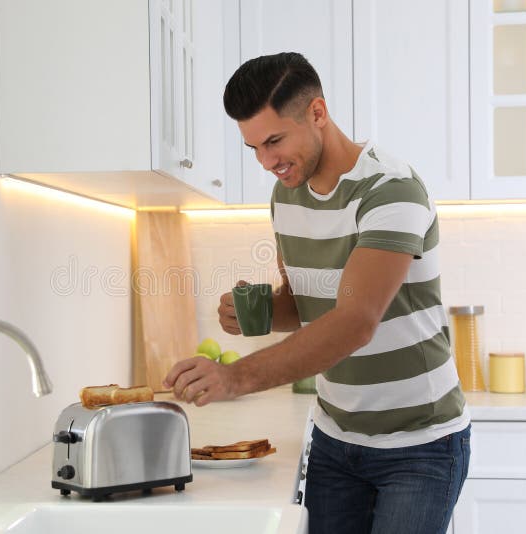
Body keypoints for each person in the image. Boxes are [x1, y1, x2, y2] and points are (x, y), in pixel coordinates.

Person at [163, 52, 471, 534]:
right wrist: (260, 311)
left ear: (318, 113)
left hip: (418, 446)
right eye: (254, 149)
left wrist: (233, 378)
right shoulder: (286, 196)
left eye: (274, 141)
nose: (266, 162)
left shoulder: (390, 190)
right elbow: (303, 301)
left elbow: (355, 321)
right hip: (334, 439)